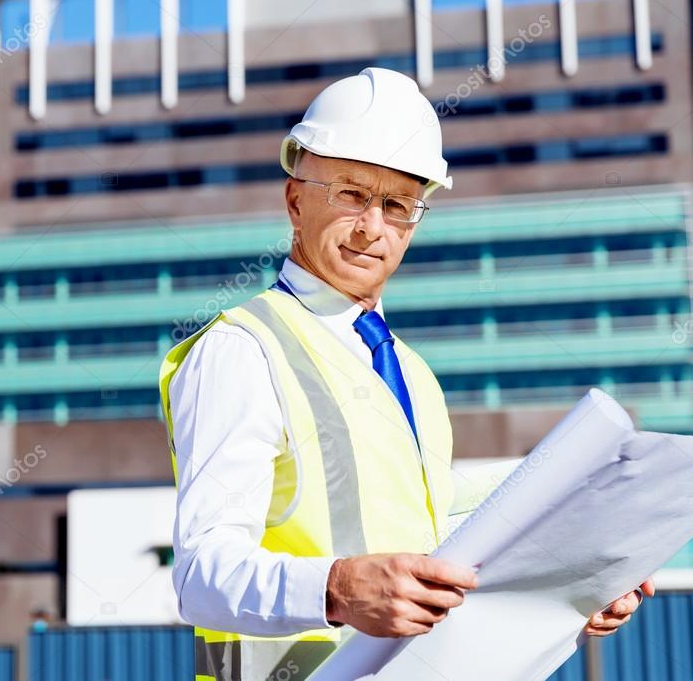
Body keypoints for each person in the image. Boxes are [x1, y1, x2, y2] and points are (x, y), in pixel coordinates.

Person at [158, 67, 651, 681]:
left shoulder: (411, 372)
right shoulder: (242, 348)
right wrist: (336, 588)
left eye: (396, 205)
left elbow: (436, 544)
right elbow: (200, 575)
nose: (373, 228)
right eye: (350, 194)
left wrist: (578, 578)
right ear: (295, 199)